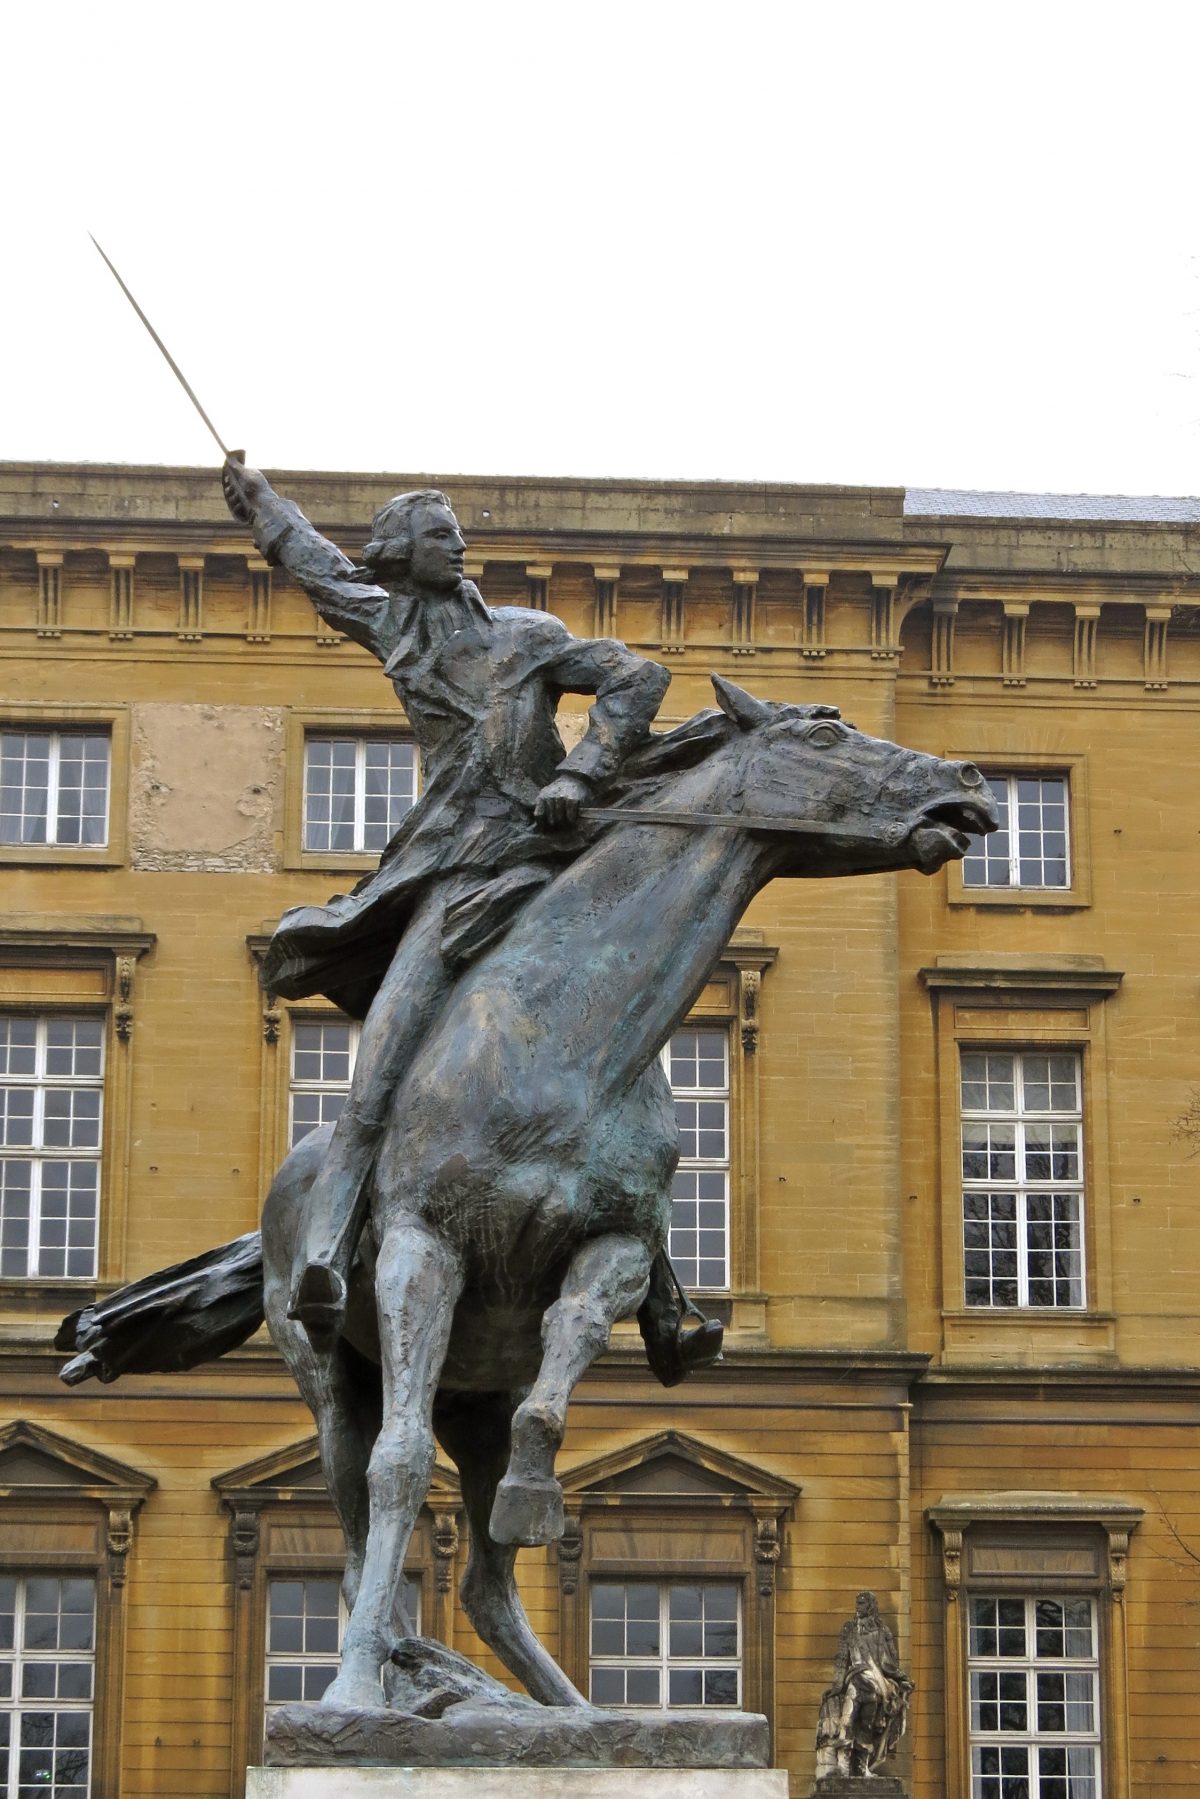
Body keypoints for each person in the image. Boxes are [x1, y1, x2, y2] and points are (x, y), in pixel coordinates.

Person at [221, 458, 722, 1382]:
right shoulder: (396, 631)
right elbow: (323, 573)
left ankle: (663, 1295)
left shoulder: (529, 636)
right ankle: (328, 1245)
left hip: (544, 868)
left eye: (458, 532)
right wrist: (261, 507)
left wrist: (580, 775)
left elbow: (636, 677)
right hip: (453, 877)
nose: (461, 545)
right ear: (405, 556)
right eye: (442, 534)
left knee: (616, 1049)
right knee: (385, 1056)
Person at [814, 1590, 913, 1780]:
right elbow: (842, 1660)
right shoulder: (849, 1629)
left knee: (867, 1727)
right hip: (856, 1679)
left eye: (861, 1604)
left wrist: (902, 1679)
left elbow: (890, 1662)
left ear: (870, 1606)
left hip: (876, 1685)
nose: (857, 1607)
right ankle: (843, 1767)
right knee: (847, 1719)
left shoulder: (882, 1631)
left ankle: (862, 1767)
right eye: (857, 1603)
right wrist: (836, 1687)